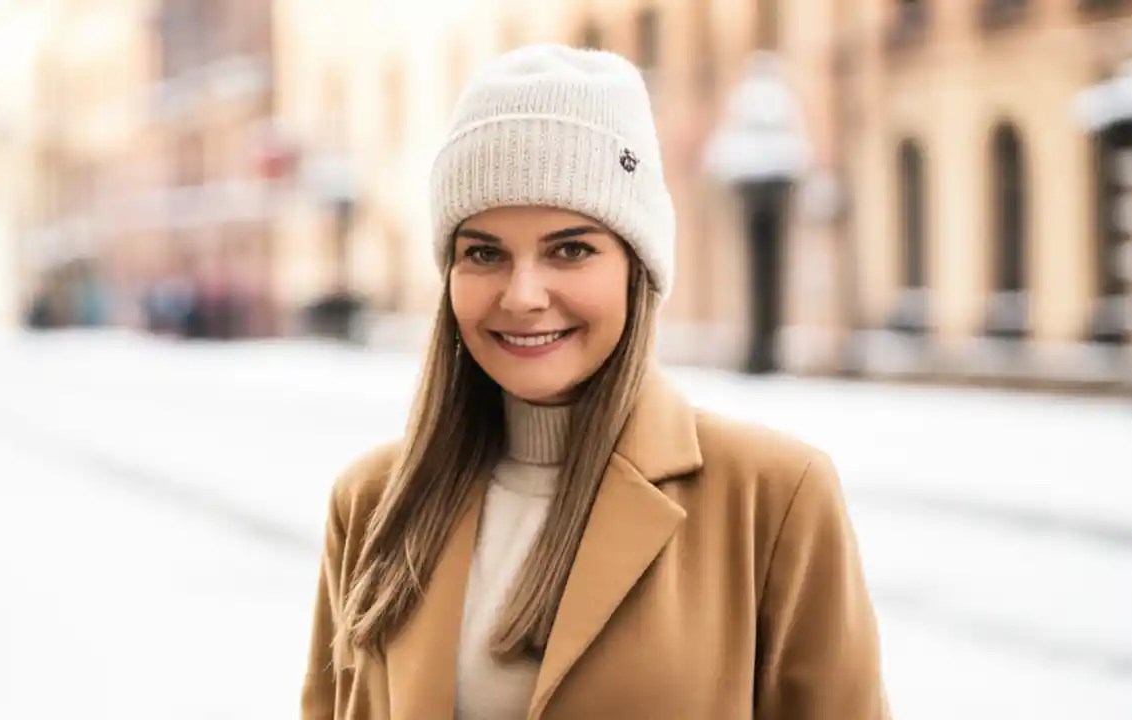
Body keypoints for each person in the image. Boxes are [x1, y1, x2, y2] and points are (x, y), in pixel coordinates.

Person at [302, 44, 887, 719]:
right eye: (483, 253)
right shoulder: (374, 502)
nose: (522, 295)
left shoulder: (773, 497)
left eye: (570, 249)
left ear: (637, 268)